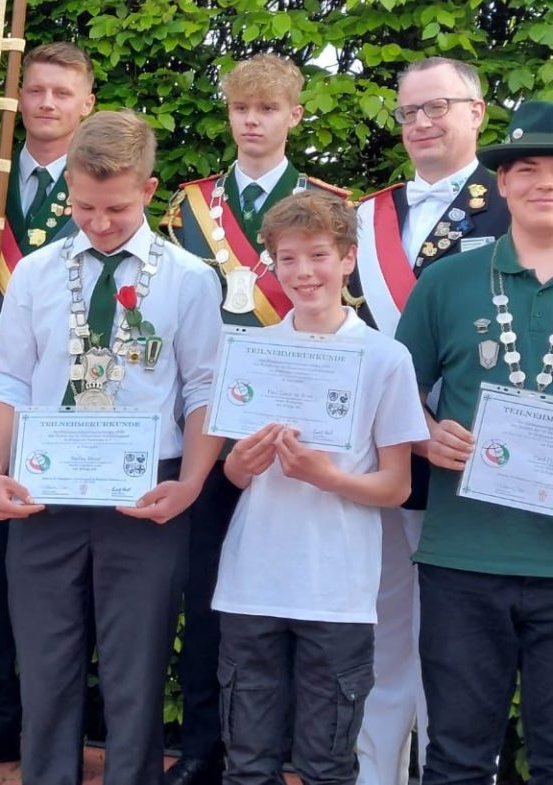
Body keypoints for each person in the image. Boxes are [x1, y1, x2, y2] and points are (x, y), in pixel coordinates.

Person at [0, 110, 224, 785]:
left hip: (148, 491)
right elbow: (13, 376)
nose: (99, 221)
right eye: (83, 206)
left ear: (148, 189)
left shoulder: (188, 277)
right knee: (46, 664)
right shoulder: (36, 273)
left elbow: (205, 389)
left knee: (134, 666)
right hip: (44, 488)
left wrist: (193, 484)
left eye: (114, 207)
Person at [159, 53, 350, 785]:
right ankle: (207, 740)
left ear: (294, 116)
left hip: (299, 421)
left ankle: (306, 748)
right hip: (214, 424)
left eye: (268, 108)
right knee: (206, 590)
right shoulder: (190, 206)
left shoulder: (329, 204)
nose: (252, 120)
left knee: (305, 588)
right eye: (242, 107)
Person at [213, 190, 428, 785]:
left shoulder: (386, 358)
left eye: (317, 256)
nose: (303, 273)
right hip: (251, 580)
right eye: (287, 259)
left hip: (337, 587)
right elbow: (232, 473)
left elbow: (396, 485)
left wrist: (327, 477)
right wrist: (245, 464)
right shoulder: (252, 350)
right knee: (248, 763)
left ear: (348, 259)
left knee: (327, 764)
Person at [349, 57, 510, 785]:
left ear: (478, 112)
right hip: (386, 455)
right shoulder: (367, 215)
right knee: (386, 632)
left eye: (437, 107)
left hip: (477, 460)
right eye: (409, 112)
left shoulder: (516, 208)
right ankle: (377, 774)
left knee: (471, 645)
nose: (420, 123)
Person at [394, 98, 553, 785]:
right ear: (505, 182)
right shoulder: (447, 281)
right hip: (464, 557)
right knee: (456, 757)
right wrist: (427, 436)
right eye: (527, 167)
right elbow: (393, 400)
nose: (543, 181)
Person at [0, 40, 96, 771]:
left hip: (78, 407)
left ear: (86, 104)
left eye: (60, 93)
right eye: (34, 91)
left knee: (70, 571)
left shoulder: (106, 187)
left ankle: (58, 722)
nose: (44, 104)